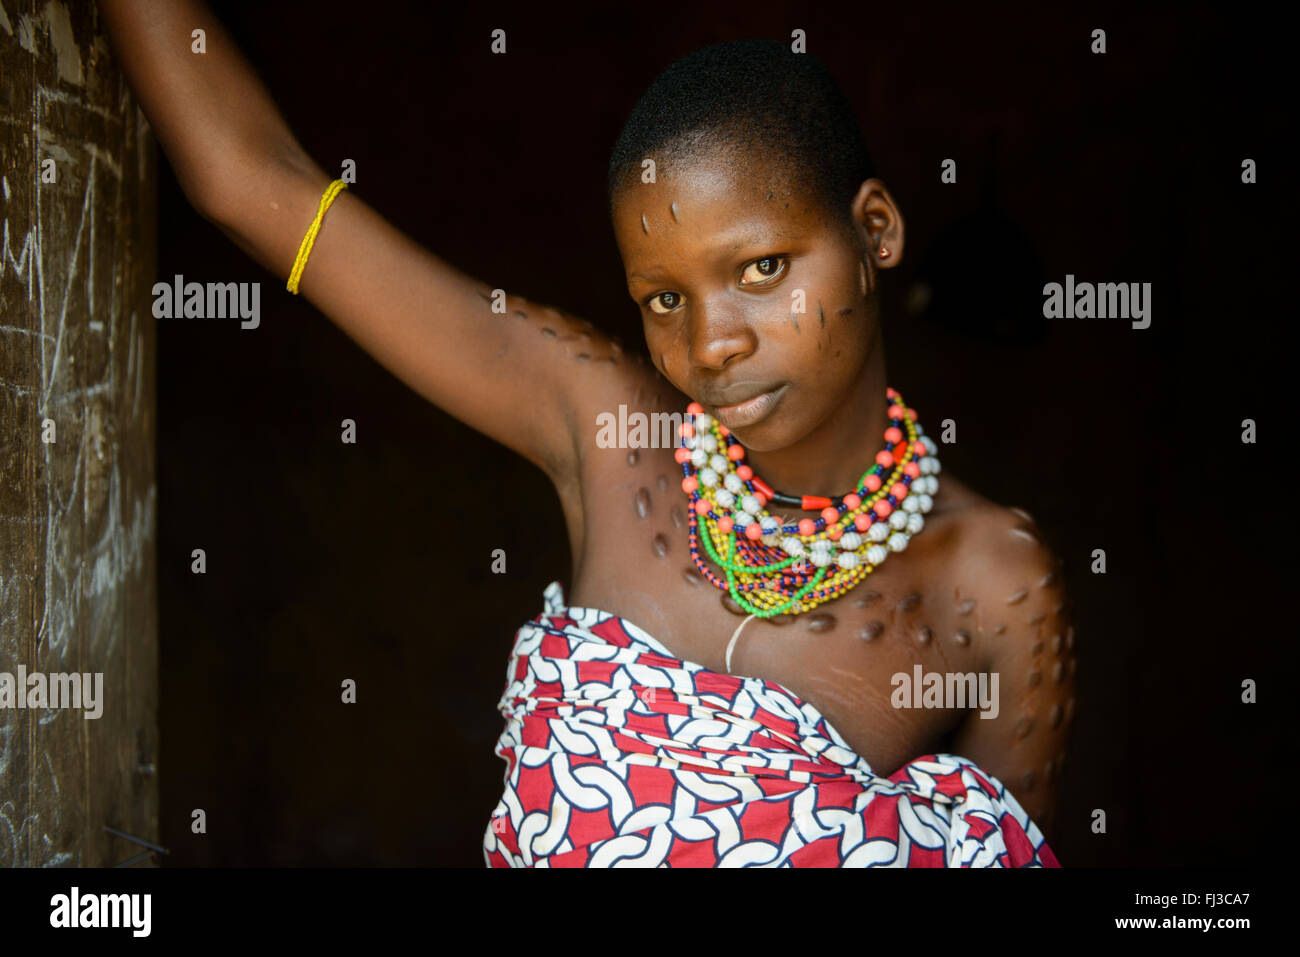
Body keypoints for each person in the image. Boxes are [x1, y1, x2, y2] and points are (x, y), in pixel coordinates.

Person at [100, 1, 1075, 866]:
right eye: (662, 297)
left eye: (764, 268)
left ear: (874, 232)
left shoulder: (993, 585)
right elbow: (243, 178)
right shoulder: (612, 436)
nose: (711, 342)